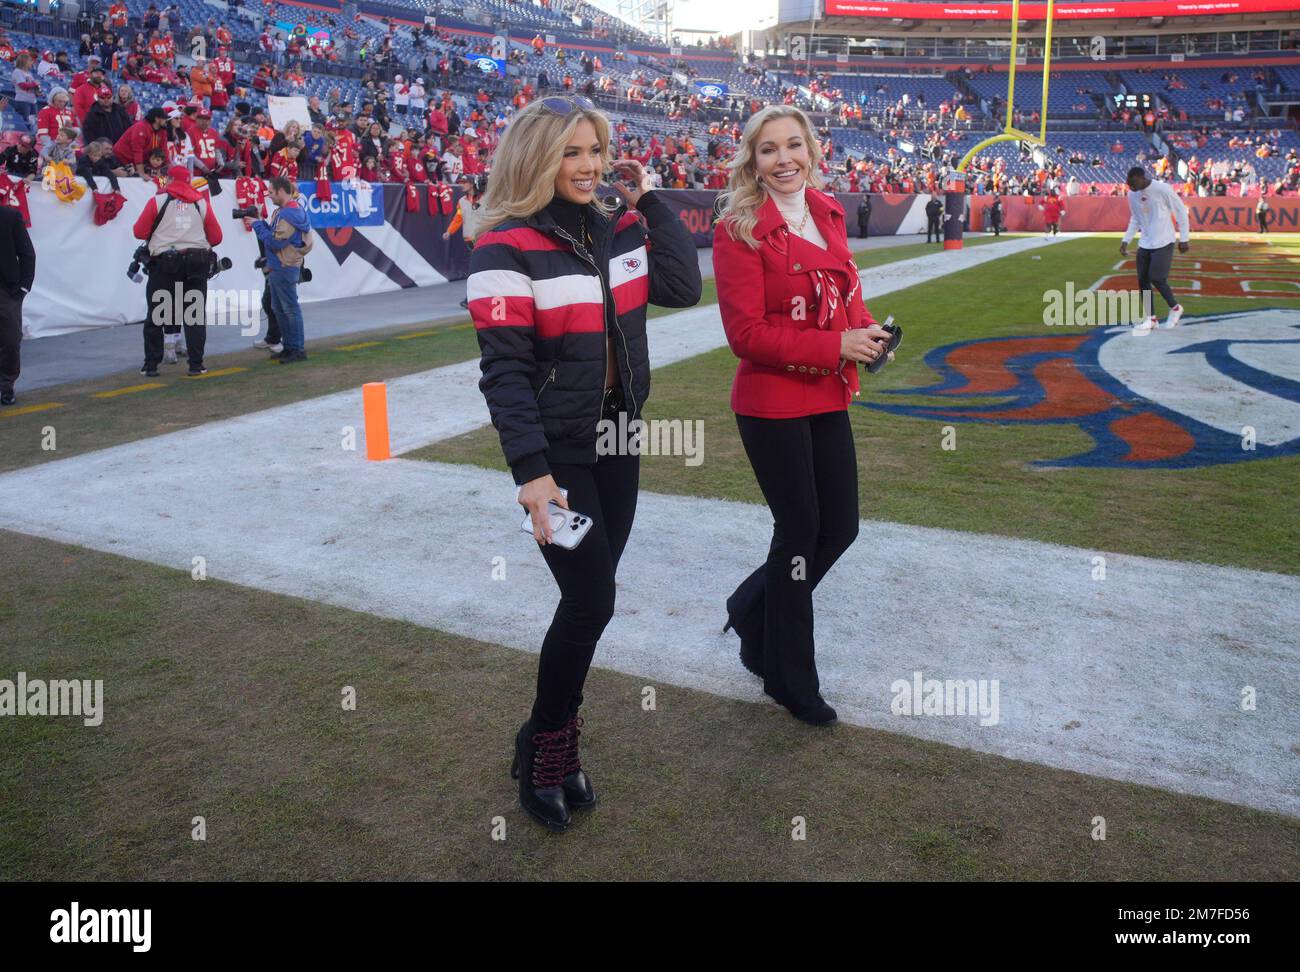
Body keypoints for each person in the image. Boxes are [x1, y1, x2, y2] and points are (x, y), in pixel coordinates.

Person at [467, 95, 700, 831]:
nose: (589, 165)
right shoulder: (504, 246)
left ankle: (549, 741)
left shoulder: (615, 228)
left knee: (589, 599)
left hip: (620, 439)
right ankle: (547, 749)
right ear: (536, 156)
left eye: (596, 150)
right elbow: (503, 373)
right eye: (571, 152)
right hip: (559, 455)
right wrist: (531, 473)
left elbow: (683, 287)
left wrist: (650, 199)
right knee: (591, 599)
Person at [712, 105, 893, 726]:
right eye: (769, 149)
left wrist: (864, 331)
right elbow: (746, 334)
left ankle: (750, 608)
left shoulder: (827, 210)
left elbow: (845, 293)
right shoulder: (737, 228)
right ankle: (788, 678)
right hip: (771, 401)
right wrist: (833, 347)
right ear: (752, 160)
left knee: (838, 528)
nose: (784, 158)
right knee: (798, 533)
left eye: (794, 145)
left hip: (826, 393)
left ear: (813, 152)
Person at [132, 166, 223, 376]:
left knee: (156, 314)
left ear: (170, 179)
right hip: (195, 263)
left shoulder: (157, 201)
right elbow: (217, 237)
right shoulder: (201, 203)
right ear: (189, 180)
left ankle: (152, 365)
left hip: (164, 264)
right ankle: (195, 364)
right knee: (194, 316)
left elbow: (139, 232)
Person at [1120, 166, 1189, 334]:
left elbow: (1180, 211)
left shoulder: (1162, 189)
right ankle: (1151, 319)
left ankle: (1175, 308)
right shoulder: (1132, 194)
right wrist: (1126, 240)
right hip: (1145, 243)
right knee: (1143, 281)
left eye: (1134, 183)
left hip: (1164, 241)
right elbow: (1135, 218)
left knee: (1157, 278)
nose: (1131, 187)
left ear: (1143, 177)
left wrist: (1184, 238)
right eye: (1129, 184)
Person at [253, 176, 311, 364]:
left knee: (289, 309)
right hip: (282, 265)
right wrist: (260, 223)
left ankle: (297, 349)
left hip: (283, 266)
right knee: (279, 308)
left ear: (281, 191)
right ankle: (290, 347)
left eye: (271, 192)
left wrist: (257, 225)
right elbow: (274, 235)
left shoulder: (287, 214)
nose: (269, 196)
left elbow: (275, 242)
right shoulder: (288, 210)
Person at [0, 204, 37, 406]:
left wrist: (24, 286)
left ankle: (6, 386)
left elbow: (27, 253)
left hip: (7, 289)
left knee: (10, 340)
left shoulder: (10, 216)